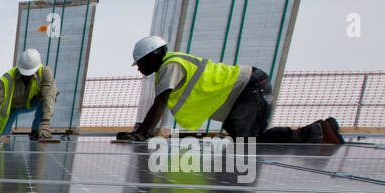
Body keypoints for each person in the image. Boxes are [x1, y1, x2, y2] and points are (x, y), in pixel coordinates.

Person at [120, 35, 344, 144]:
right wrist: (144, 129)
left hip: (249, 88)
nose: (139, 68)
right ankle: (318, 130)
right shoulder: (169, 66)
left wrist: (141, 133)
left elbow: (160, 103)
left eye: (140, 62)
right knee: (249, 141)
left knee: (248, 142)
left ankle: (319, 133)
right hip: (247, 90)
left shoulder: (170, 65)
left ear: (154, 56)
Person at [0, 49, 56, 140]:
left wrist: (46, 121)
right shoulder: (7, 78)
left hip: (32, 103)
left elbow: (49, 96)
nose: (27, 76)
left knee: (48, 96)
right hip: (12, 108)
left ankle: (36, 130)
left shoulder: (44, 72)